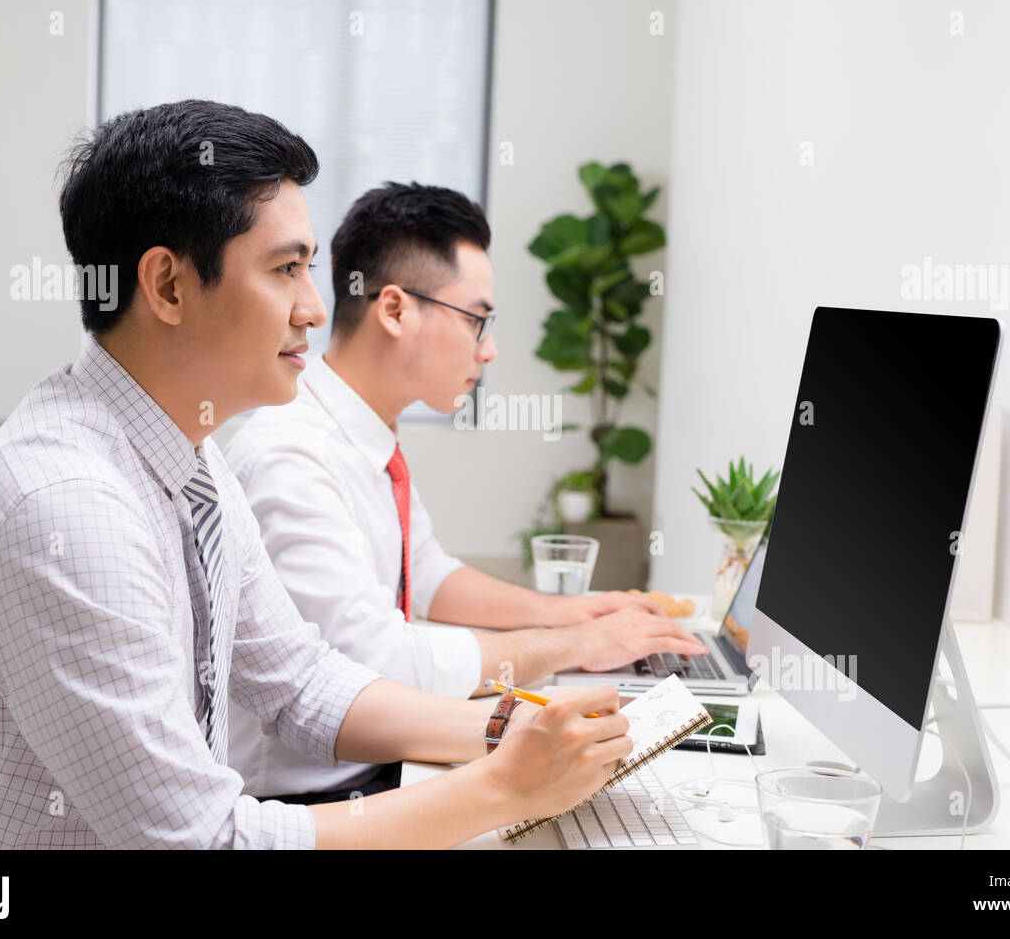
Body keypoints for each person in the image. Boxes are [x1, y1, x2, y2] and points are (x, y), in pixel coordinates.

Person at [0, 100, 634, 850]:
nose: (313, 309)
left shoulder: (187, 456)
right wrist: (505, 785)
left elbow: (296, 679)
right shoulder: (70, 509)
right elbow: (206, 839)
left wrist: (504, 729)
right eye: (285, 269)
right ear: (166, 284)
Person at [223, 181, 704, 803]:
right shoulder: (292, 455)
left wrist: (571, 612)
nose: (491, 348)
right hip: (312, 796)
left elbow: (426, 572)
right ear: (394, 310)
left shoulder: (364, 429)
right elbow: (380, 663)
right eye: (477, 319)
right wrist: (577, 645)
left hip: (379, 769)